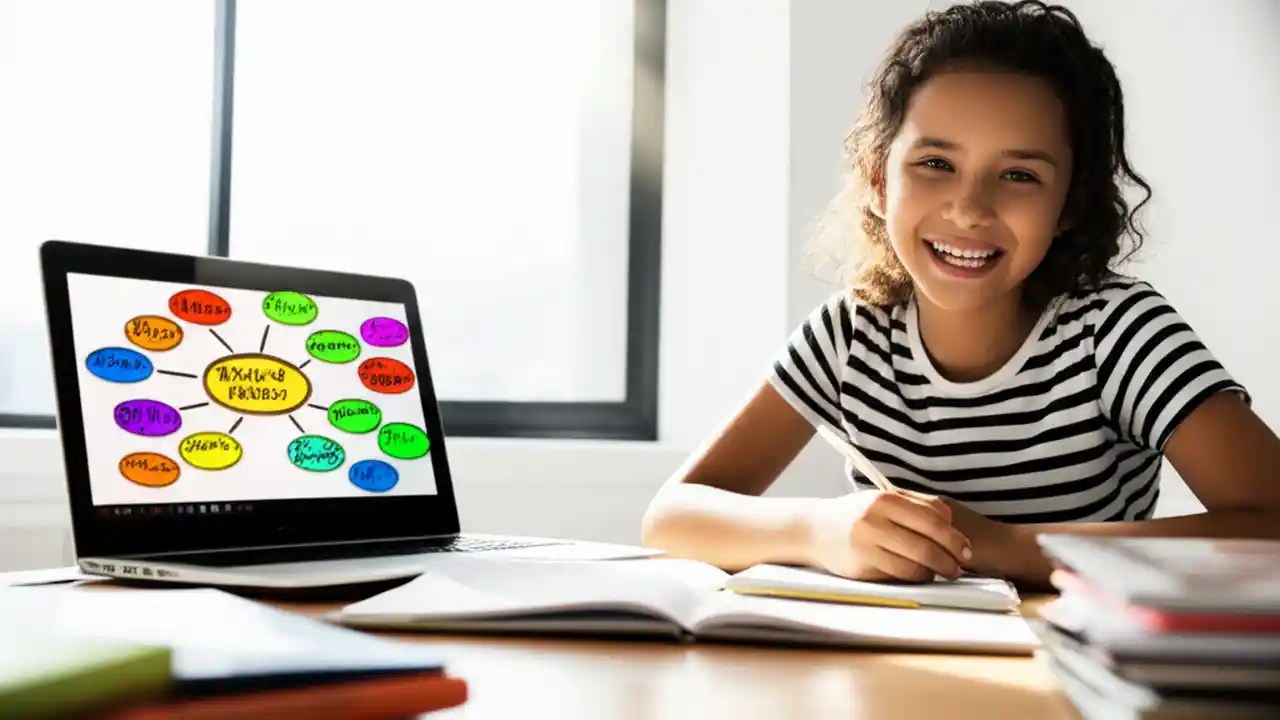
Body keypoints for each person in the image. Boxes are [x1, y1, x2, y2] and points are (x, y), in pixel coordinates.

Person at [641, 0, 1280, 588]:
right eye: (936, 164)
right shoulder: (849, 336)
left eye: (1019, 175)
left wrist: (1006, 546)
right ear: (878, 181)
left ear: (1069, 204)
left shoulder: (1117, 332)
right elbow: (671, 517)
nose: (970, 209)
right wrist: (823, 530)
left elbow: (1271, 522)